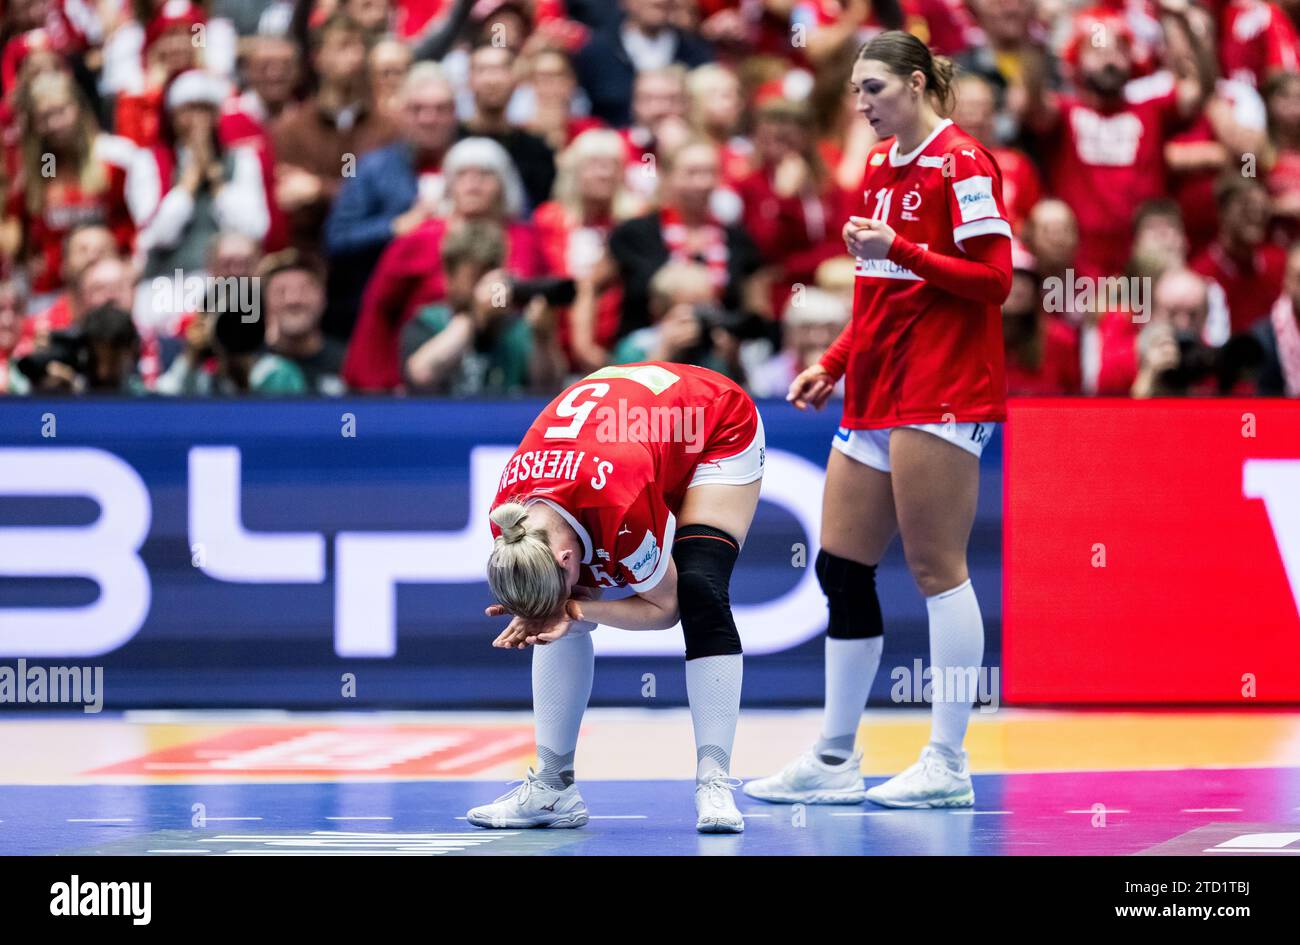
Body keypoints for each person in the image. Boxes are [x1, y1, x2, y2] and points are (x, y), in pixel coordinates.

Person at [745, 31, 1012, 809]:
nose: (861, 105)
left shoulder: (963, 162)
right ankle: (833, 756)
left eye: (875, 90)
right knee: (841, 564)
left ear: (920, 83)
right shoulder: (876, 166)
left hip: (943, 385)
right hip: (877, 382)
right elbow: (879, 288)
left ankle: (948, 760)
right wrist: (833, 359)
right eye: (857, 92)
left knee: (937, 569)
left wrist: (906, 245)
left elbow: (995, 281)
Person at [473, 361, 766, 832]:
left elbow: (666, 609)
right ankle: (553, 788)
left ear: (568, 561)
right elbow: (546, 583)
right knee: (554, 620)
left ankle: (714, 780)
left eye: (568, 582)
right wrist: (546, 608)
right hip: (629, 433)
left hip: (712, 424)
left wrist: (575, 608)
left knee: (700, 590)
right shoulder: (509, 523)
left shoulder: (619, 508)